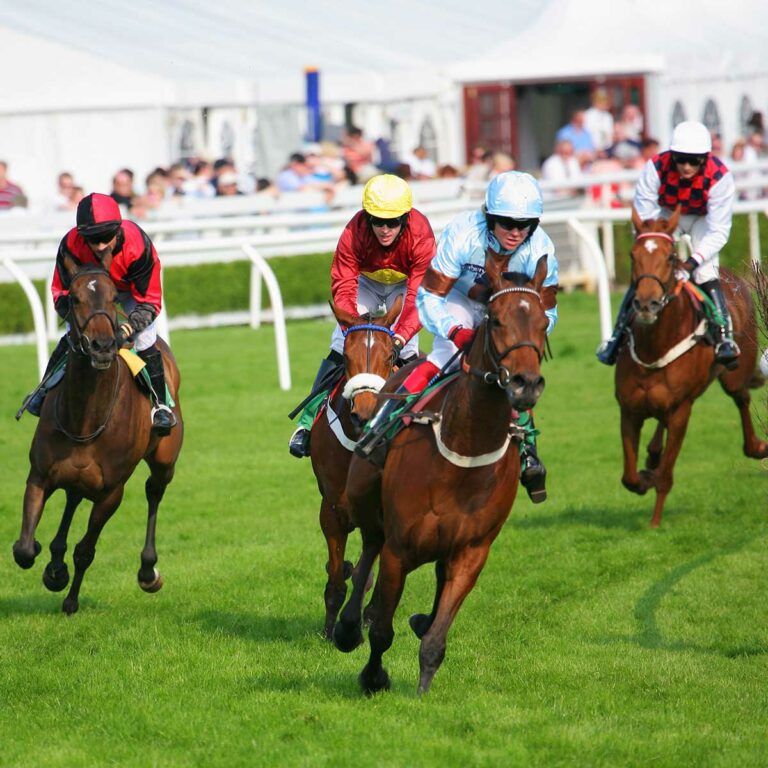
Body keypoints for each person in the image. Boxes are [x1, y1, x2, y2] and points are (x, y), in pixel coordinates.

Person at [354, 171, 560, 503]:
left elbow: (548, 312)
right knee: (441, 358)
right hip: (461, 302)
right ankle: (382, 426)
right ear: (491, 217)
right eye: (507, 223)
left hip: (512, 314)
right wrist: (454, 330)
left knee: (520, 373)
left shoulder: (541, 248)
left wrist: (525, 335)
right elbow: (429, 298)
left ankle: (529, 455)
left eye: (525, 225)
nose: (516, 232)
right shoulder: (464, 233)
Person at [288, 174, 436, 458]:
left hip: (405, 287)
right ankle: (307, 424)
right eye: (377, 221)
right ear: (366, 217)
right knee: (340, 345)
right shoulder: (354, 231)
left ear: (406, 218)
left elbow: (420, 297)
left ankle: (419, 420)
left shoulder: (421, 234)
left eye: (392, 222)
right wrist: (351, 327)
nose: (384, 229)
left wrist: (400, 337)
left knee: (407, 352)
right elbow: (343, 283)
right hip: (365, 283)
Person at [19, 193, 177, 434]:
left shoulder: (137, 244)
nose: (101, 246)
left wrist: (127, 329)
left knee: (145, 338)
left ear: (118, 229)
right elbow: (61, 293)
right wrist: (81, 320)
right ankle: (42, 390)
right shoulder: (71, 244)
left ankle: (161, 407)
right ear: (82, 236)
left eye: (106, 238)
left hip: (130, 292)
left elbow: (150, 301)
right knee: (72, 334)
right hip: (91, 294)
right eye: (93, 240)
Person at [597, 120, 739, 369]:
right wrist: (653, 245)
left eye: (693, 161)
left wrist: (692, 261)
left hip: (702, 219)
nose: (686, 167)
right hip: (664, 216)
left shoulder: (720, 177)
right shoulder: (655, 168)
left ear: (705, 159)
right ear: (672, 156)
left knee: (705, 270)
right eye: (680, 159)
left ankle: (725, 338)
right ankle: (616, 338)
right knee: (648, 269)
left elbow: (718, 230)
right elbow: (643, 217)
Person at [584, 89, 614, 157]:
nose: (605, 104)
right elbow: (587, 133)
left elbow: (610, 133)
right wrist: (597, 149)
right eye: (602, 101)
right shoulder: (588, 115)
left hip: (607, 149)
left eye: (605, 101)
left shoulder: (608, 116)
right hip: (592, 149)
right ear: (595, 102)